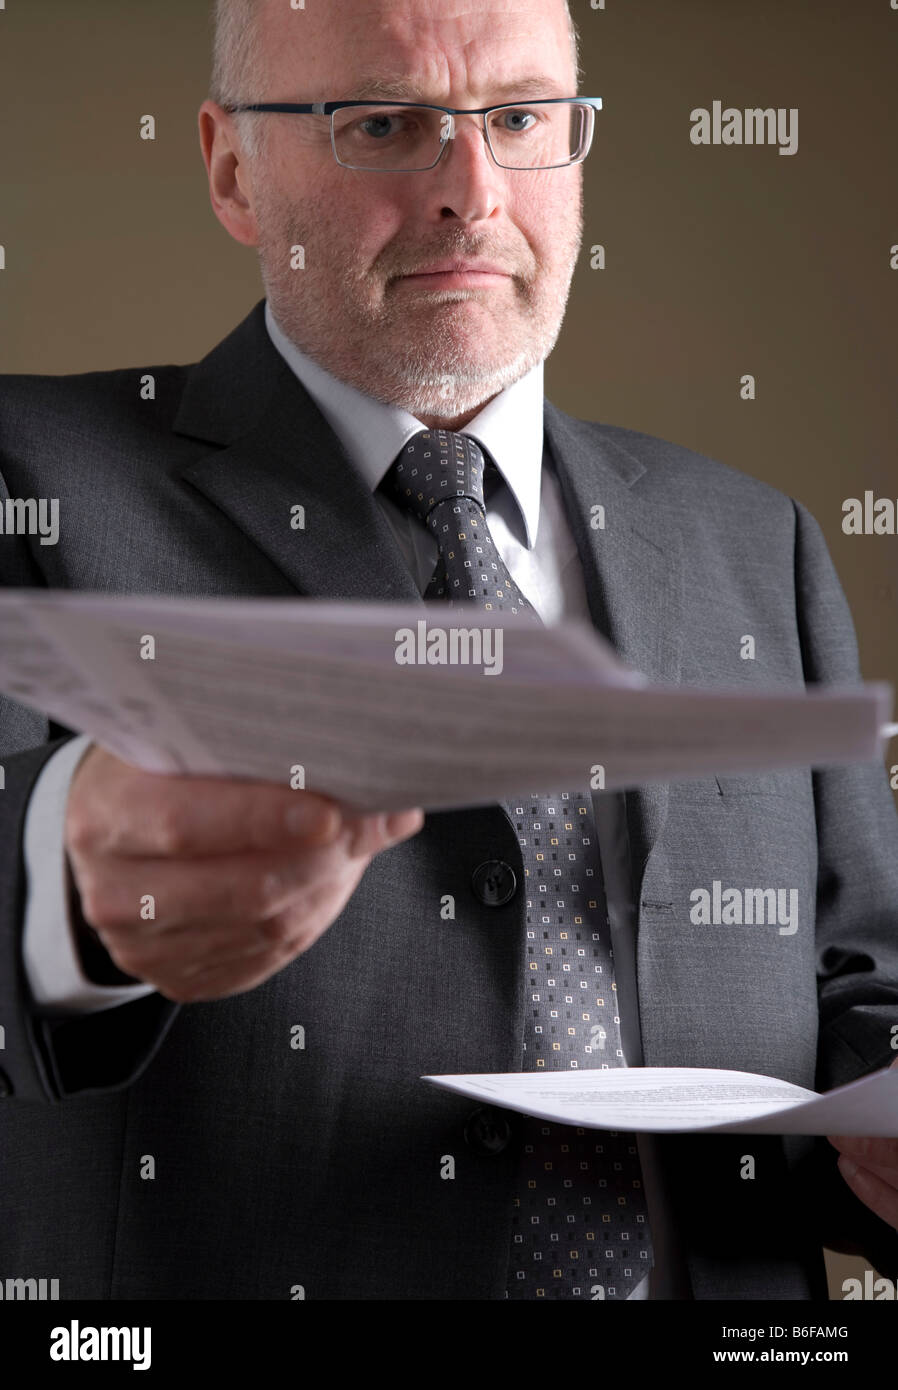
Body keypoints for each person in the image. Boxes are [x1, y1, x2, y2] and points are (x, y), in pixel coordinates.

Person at [1, 0, 896, 1301]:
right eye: (382, 123)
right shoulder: (30, 479)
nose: (470, 193)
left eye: (521, 119)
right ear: (230, 166)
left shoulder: (753, 540)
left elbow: (855, 983)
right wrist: (67, 876)